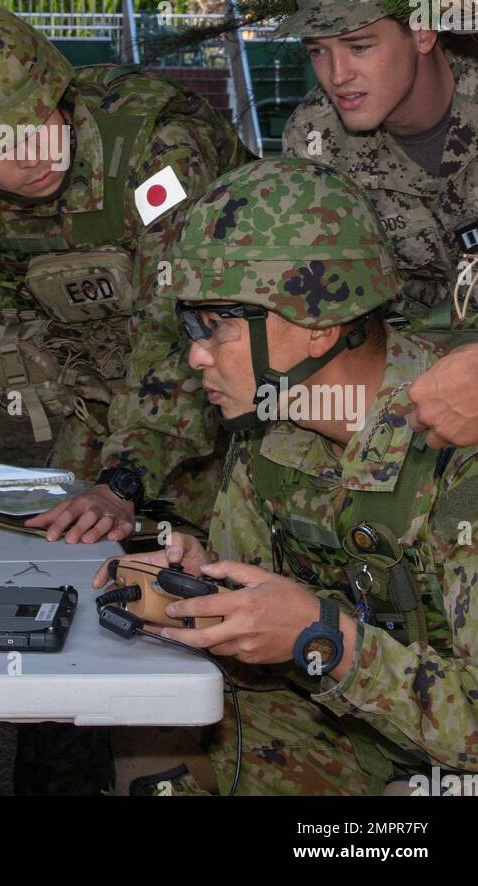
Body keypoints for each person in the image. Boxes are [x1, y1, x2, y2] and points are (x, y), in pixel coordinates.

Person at [94, 157, 478, 796]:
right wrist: (203, 577)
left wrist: (322, 636)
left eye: (216, 325)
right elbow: (269, 593)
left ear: (320, 326)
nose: (194, 354)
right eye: (190, 324)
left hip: (447, 761)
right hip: (344, 728)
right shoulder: (274, 427)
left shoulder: (458, 457)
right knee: (148, 733)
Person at [0, 1, 248, 543]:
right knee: (71, 547)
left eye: (34, 123)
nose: (30, 156)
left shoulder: (157, 150)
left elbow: (178, 330)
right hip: (100, 403)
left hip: (230, 393)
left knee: (226, 558)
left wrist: (124, 480)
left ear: (57, 90)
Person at [277, 0, 478, 452]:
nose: (338, 75)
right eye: (319, 51)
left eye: (360, 46)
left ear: (423, 31)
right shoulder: (314, 138)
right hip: (402, 370)